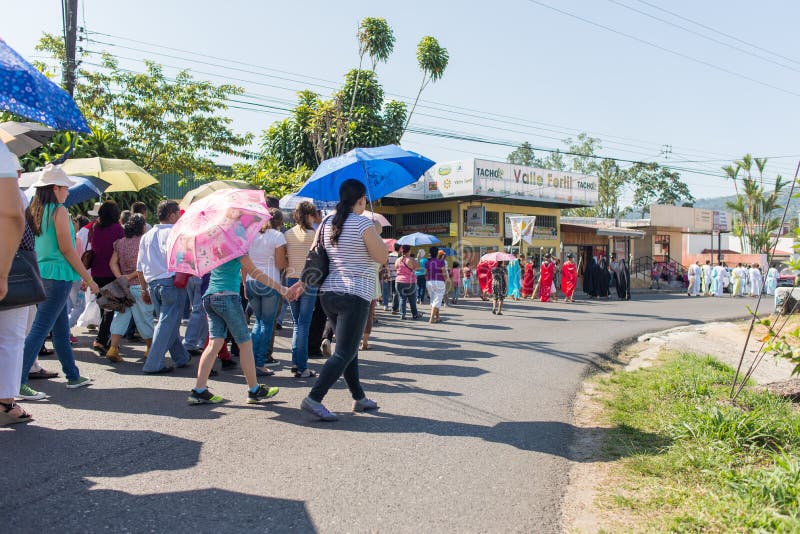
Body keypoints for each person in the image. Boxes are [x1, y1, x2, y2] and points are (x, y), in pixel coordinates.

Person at [298, 179, 387, 421]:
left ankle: (359, 397)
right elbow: (381, 257)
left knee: (349, 349)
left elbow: (315, 252)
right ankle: (314, 398)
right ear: (361, 199)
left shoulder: (326, 222)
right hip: (355, 294)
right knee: (345, 352)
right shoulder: (363, 224)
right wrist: (376, 232)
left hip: (329, 293)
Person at [19, 165, 99, 400]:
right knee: (41, 329)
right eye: (65, 188)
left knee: (60, 328)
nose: (67, 192)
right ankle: (18, 381)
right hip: (59, 276)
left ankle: (73, 375)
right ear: (55, 188)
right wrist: (88, 278)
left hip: (41, 273)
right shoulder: (59, 211)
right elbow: (67, 249)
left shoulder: (34, 210)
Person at [190, 251, 295, 405]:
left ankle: (198, 390)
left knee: (214, 344)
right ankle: (254, 390)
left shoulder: (216, 246)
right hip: (227, 297)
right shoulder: (235, 246)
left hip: (210, 296)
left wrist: (245, 283)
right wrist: (281, 288)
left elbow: (238, 270)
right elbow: (255, 272)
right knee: (245, 343)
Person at [138, 201, 192, 374]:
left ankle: (181, 357)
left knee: (168, 322)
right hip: (170, 281)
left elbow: (140, 267)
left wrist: (143, 289)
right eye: (178, 213)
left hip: (153, 283)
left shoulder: (147, 235)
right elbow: (179, 257)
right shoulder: (174, 232)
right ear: (172, 215)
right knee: (167, 324)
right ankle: (153, 363)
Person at [0, 147, 33, 423]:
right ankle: (6, 403)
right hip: (9, 265)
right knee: (11, 337)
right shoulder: (17, 192)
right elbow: (13, 217)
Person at [245, 208, 288, 376]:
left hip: (251, 281)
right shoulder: (277, 236)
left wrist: (244, 284)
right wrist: (287, 260)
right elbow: (280, 264)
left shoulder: (249, 236)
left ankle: (251, 361)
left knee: (258, 322)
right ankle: (260, 363)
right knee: (267, 324)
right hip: (270, 282)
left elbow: (244, 263)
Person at [106, 214, 153, 361]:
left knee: (120, 316)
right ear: (142, 227)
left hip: (123, 287)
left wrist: (121, 277)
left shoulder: (120, 243)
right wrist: (130, 276)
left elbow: (112, 263)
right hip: (140, 285)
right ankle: (150, 348)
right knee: (144, 317)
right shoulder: (144, 242)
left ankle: (113, 348)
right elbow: (144, 266)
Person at [284, 201, 318, 374]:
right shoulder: (314, 235)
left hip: (290, 280)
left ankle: (295, 363)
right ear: (309, 215)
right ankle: (302, 367)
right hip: (309, 281)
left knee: (297, 324)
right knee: (304, 324)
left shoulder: (287, 234)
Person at [89, 201, 124, 354]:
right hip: (111, 272)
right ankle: (101, 340)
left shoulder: (96, 228)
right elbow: (120, 250)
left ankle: (106, 339)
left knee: (103, 307)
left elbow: (94, 247)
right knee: (110, 309)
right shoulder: (118, 229)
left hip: (96, 272)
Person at [395, 245, 421, 320]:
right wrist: (418, 259)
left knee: (402, 298)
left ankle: (402, 315)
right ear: (409, 251)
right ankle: (415, 314)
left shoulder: (398, 260)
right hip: (410, 282)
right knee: (412, 299)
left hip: (399, 281)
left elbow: (396, 268)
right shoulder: (411, 259)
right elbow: (418, 268)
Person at [425, 247, 448, 324]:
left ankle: (437, 317)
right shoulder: (441, 262)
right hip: (439, 282)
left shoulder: (427, 262)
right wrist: (446, 279)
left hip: (429, 282)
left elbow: (426, 274)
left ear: (430, 253)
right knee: (437, 300)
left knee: (433, 300)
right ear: (437, 253)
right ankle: (431, 318)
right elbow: (444, 272)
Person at [388, 243, 400, 313]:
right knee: (396, 292)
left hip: (391, 275)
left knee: (393, 292)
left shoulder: (389, 255)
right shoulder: (399, 256)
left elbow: (387, 265)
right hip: (398, 276)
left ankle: (396, 307)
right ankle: (394, 308)